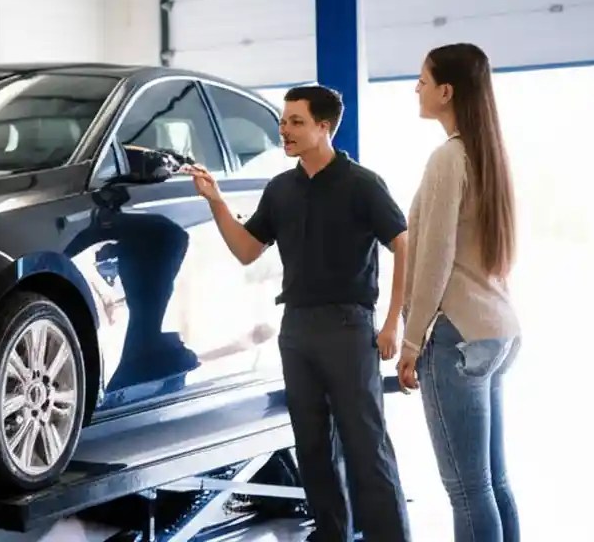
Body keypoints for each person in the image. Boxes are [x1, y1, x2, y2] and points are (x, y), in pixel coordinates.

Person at [185, 85, 411, 542]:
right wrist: (216, 202)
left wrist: (392, 322)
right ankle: (331, 535)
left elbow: (404, 245)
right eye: (284, 121)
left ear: (324, 127)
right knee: (310, 448)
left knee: (366, 446)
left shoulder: (362, 184)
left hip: (349, 328)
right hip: (297, 330)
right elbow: (247, 250)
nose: (284, 130)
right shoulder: (281, 188)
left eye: (296, 122)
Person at [396, 43, 522, 542]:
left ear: (446, 92)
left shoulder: (448, 157)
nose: (416, 88)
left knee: (468, 491)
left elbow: (435, 259)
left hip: (457, 337)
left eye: (423, 81)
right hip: (498, 330)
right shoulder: (489, 153)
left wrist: (410, 343)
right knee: (493, 482)